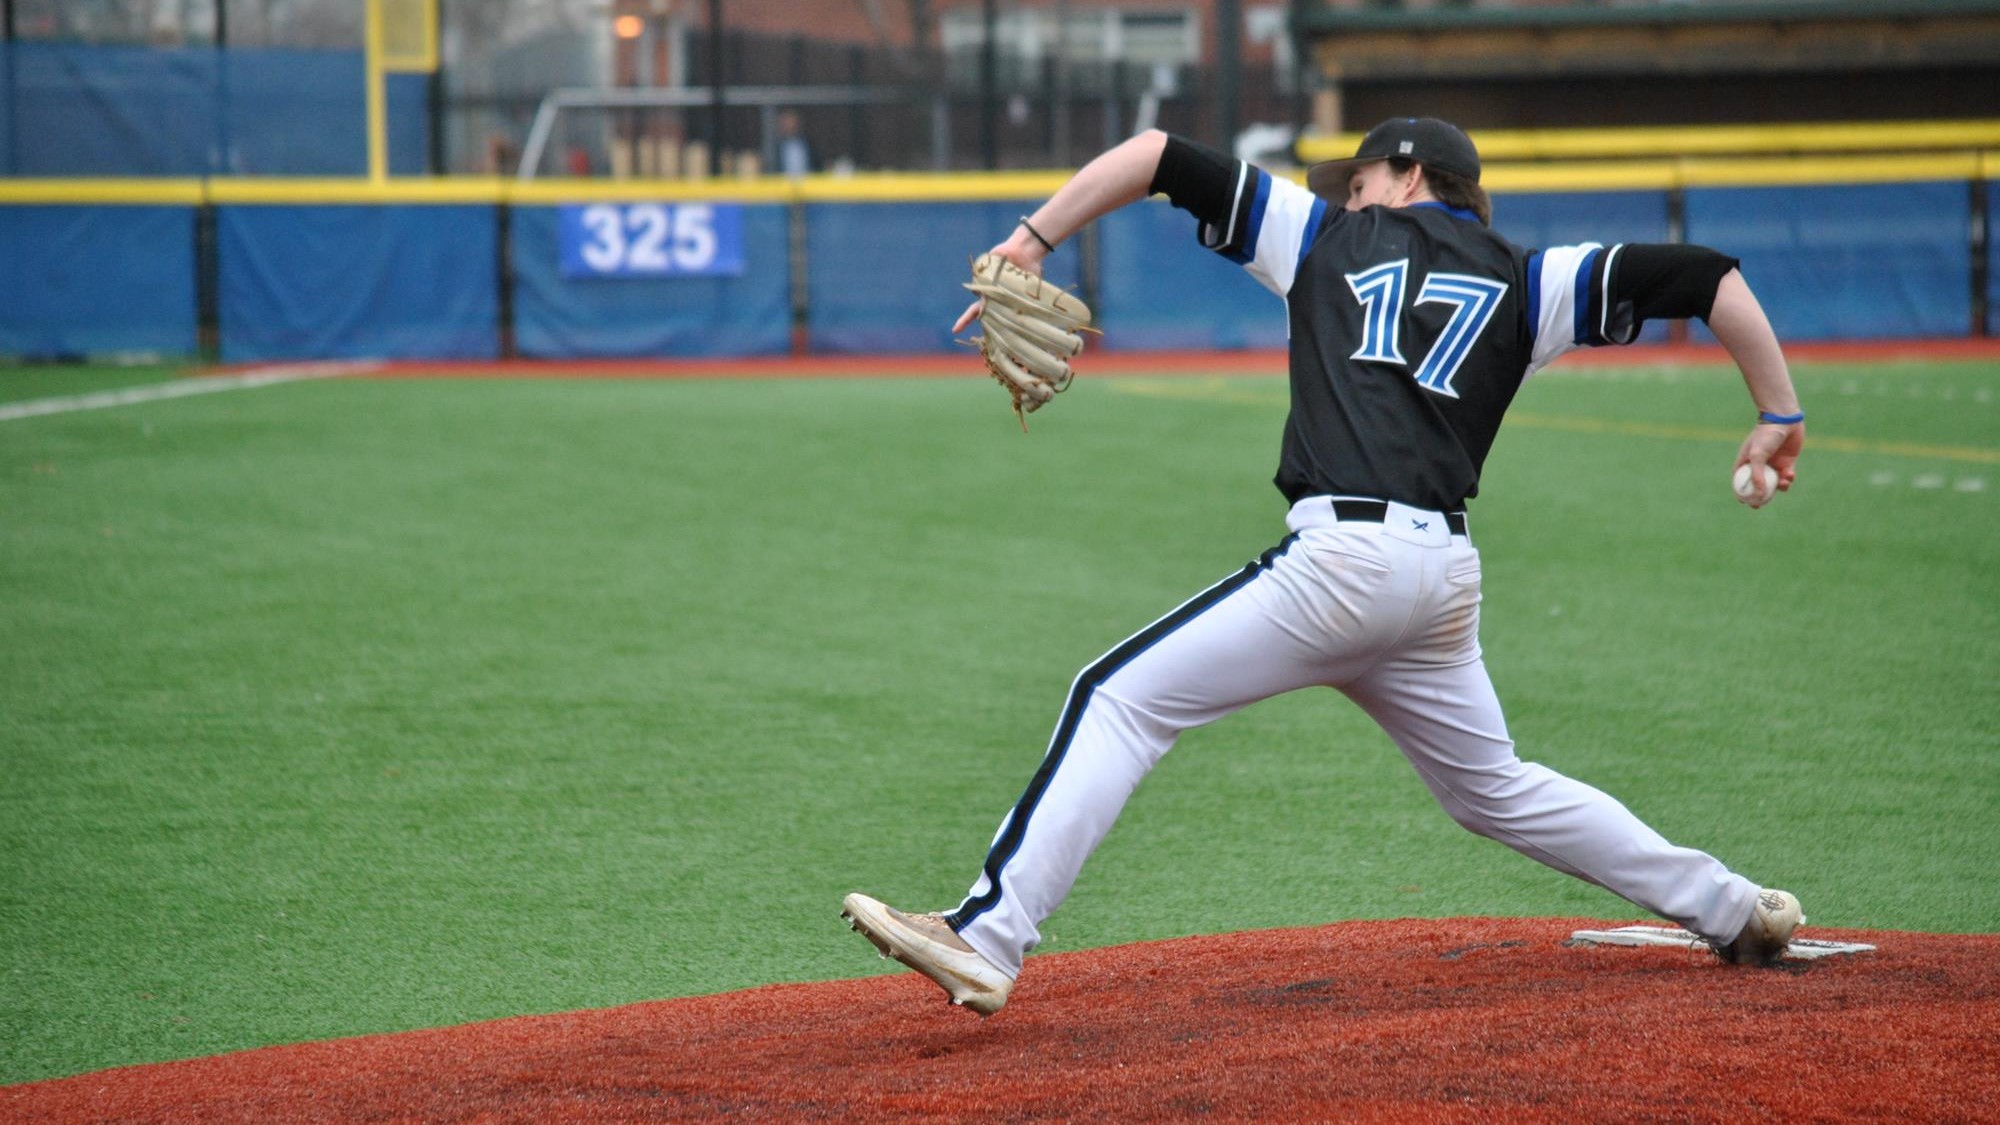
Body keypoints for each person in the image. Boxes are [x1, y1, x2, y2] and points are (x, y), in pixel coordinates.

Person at [842, 118, 1806, 1016]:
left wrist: (1032, 238)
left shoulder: (1323, 237)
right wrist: (1779, 413)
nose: (1349, 195)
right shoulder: (1534, 277)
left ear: (1410, 176)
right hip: (1441, 579)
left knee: (1119, 698)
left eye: (1362, 179)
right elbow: (1707, 276)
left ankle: (988, 934)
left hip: (1342, 567)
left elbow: (1156, 153)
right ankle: (1732, 908)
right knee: (1494, 788)